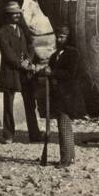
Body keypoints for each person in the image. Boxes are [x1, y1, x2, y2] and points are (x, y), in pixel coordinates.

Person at [0, 1, 41, 143]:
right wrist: (21, 64)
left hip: (24, 72)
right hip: (11, 71)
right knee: (8, 104)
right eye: (13, 14)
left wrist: (28, 59)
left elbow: (31, 45)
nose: (16, 16)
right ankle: (8, 135)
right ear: (8, 16)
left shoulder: (22, 30)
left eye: (17, 13)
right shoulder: (2, 32)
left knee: (30, 103)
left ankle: (35, 135)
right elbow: (7, 53)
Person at [42, 25, 84, 169]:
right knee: (64, 126)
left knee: (64, 127)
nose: (59, 39)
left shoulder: (73, 54)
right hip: (59, 96)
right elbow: (52, 70)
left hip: (69, 96)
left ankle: (66, 159)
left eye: (62, 37)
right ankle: (69, 157)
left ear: (68, 38)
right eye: (58, 36)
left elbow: (70, 74)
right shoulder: (55, 55)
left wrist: (52, 73)